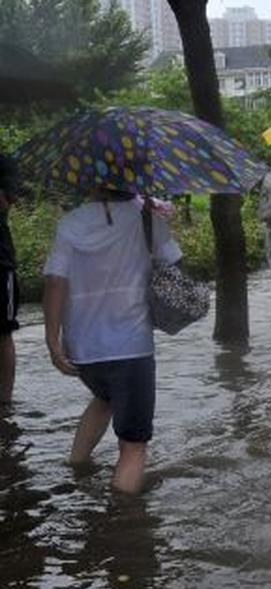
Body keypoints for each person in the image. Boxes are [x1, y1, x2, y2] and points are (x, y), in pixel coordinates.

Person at [43, 190, 182, 494]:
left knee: (105, 396)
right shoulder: (146, 217)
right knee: (134, 445)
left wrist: (52, 341)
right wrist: (156, 224)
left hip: (83, 349)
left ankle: (77, 468)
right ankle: (120, 516)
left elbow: (55, 281)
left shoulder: (71, 222)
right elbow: (173, 264)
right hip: (131, 347)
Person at [0, 151, 20, 408]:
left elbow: (6, 202)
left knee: (4, 331)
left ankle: (4, 403)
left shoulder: (4, 163)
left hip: (0, 262)